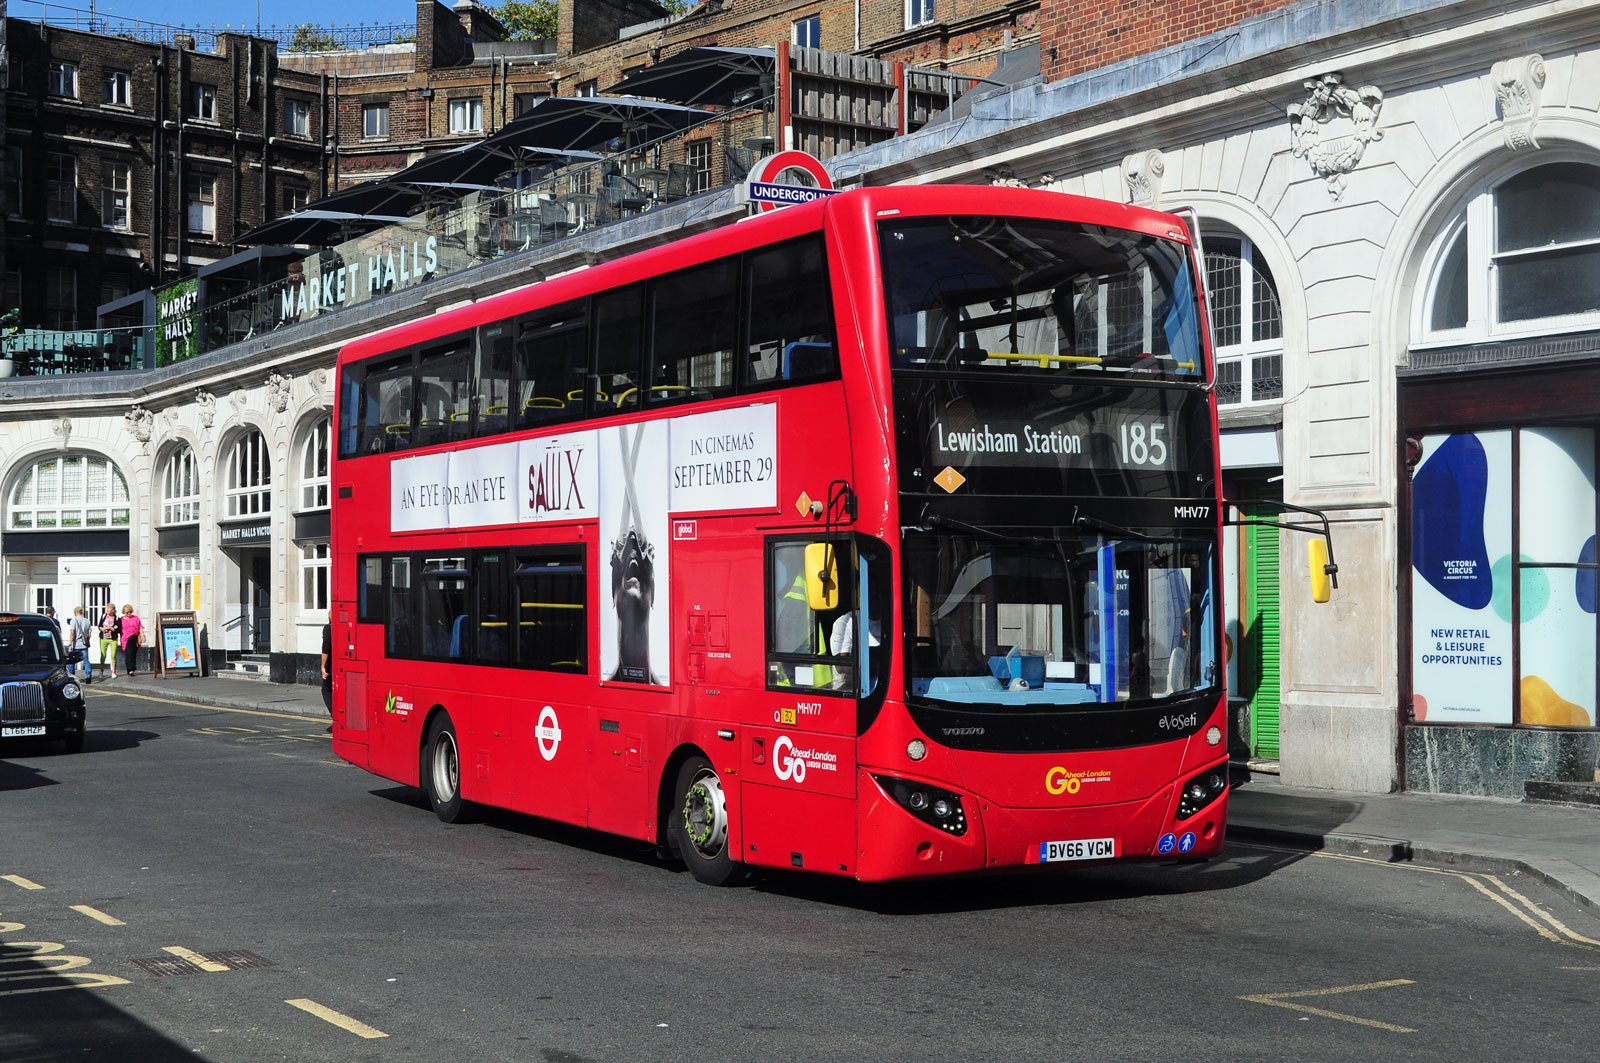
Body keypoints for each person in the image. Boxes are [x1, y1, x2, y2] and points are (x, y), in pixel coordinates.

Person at [67, 606, 94, 683]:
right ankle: (88, 676)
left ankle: (72, 676)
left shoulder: (73, 621)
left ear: (75, 612)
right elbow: (89, 633)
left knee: (72, 661)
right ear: (82, 612)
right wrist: (86, 640)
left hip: (76, 644)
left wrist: (70, 644)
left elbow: (72, 633)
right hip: (84, 644)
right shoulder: (87, 621)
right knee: (86, 661)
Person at [118, 604, 143, 676]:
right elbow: (118, 629)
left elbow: (140, 627)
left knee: (133, 654)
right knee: (129, 654)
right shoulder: (121, 620)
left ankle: (132, 668)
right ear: (124, 612)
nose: (129, 613)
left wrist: (142, 634)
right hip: (126, 638)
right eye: (127, 612)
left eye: (130, 612)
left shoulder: (136, 618)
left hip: (134, 637)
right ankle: (130, 669)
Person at [98, 603, 121, 679]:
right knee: (103, 655)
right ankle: (101, 671)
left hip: (112, 639)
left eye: (109, 610)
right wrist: (103, 628)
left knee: (113, 655)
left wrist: (114, 628)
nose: (107, 611)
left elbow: (118, 628)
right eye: (107, 609)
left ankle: (113, 672)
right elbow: (100, 626)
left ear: (113, 610)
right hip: (103, 638)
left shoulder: (117, 618)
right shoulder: (104, 616)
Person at [320, 622, 333, 726]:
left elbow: (326, 650)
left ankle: (336, 718)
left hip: (332, 667)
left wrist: (323, 667)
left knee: (326, 690)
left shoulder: (328, 628)